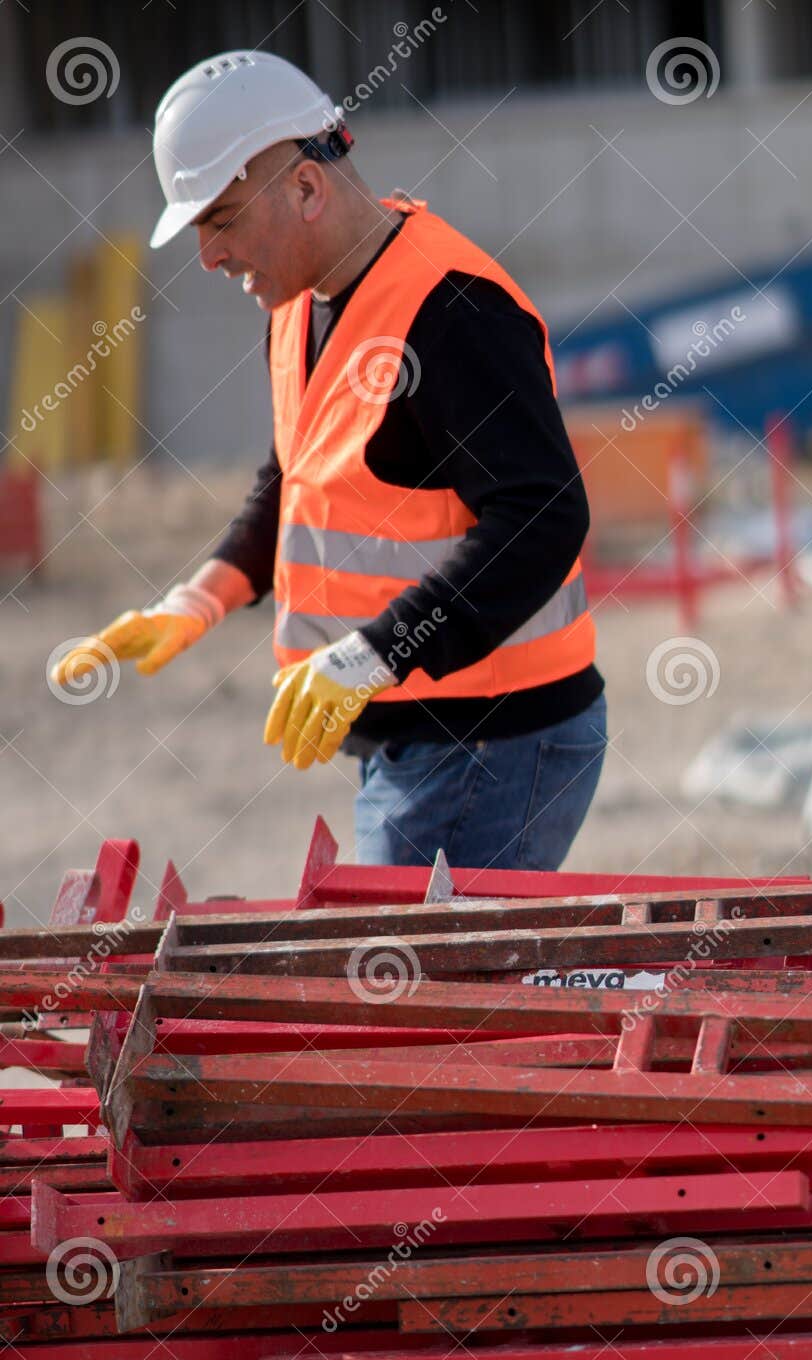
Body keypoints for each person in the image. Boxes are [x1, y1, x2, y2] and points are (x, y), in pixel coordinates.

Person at [53, 50, 606, 871]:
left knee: (407, 992)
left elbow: (543, 514)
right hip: (425, 734)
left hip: (494, 736)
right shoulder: (300, 301)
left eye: (221, 219)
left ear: (306, 189)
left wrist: (374, 651)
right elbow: (298, 477)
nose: (208, 256)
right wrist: (198, 599)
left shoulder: (452, 311)